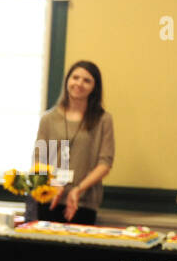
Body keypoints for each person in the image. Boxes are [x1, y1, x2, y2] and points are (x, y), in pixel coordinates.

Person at [28, 61, 114, 225]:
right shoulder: (48, 119)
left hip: (83, 202)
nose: (79, 84)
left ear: (94, 87)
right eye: (75, 78)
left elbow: (105, 162)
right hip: (49, 199)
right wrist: (53, 184)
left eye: (86, 80)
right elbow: (38, 159)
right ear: (67, 80)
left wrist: (78, 190)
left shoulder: (103, 120)